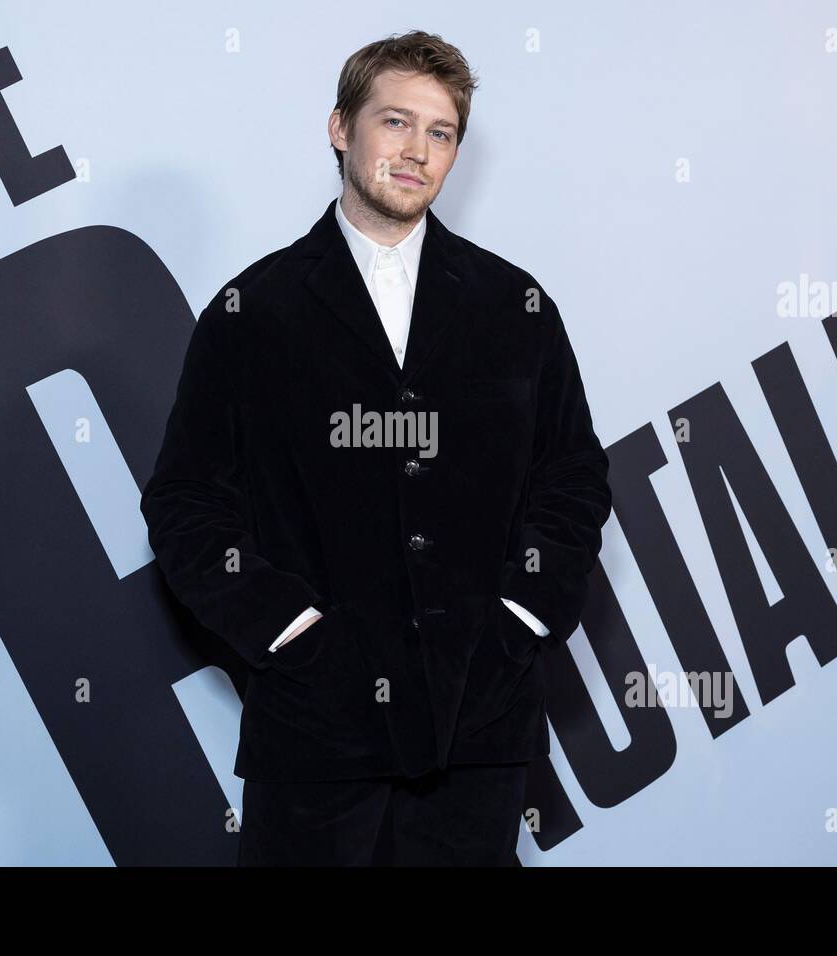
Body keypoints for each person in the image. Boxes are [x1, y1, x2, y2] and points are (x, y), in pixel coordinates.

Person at [140, 30, 611, 865]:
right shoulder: (254, 312)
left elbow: (572, 477)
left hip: (479, 733)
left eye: (441, 133)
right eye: (396, 122)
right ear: (340, 128)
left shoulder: (515, 305)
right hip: (314, 740)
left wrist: (519, 618)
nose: (417, 151)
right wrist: (289, 631)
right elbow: (186, 502)